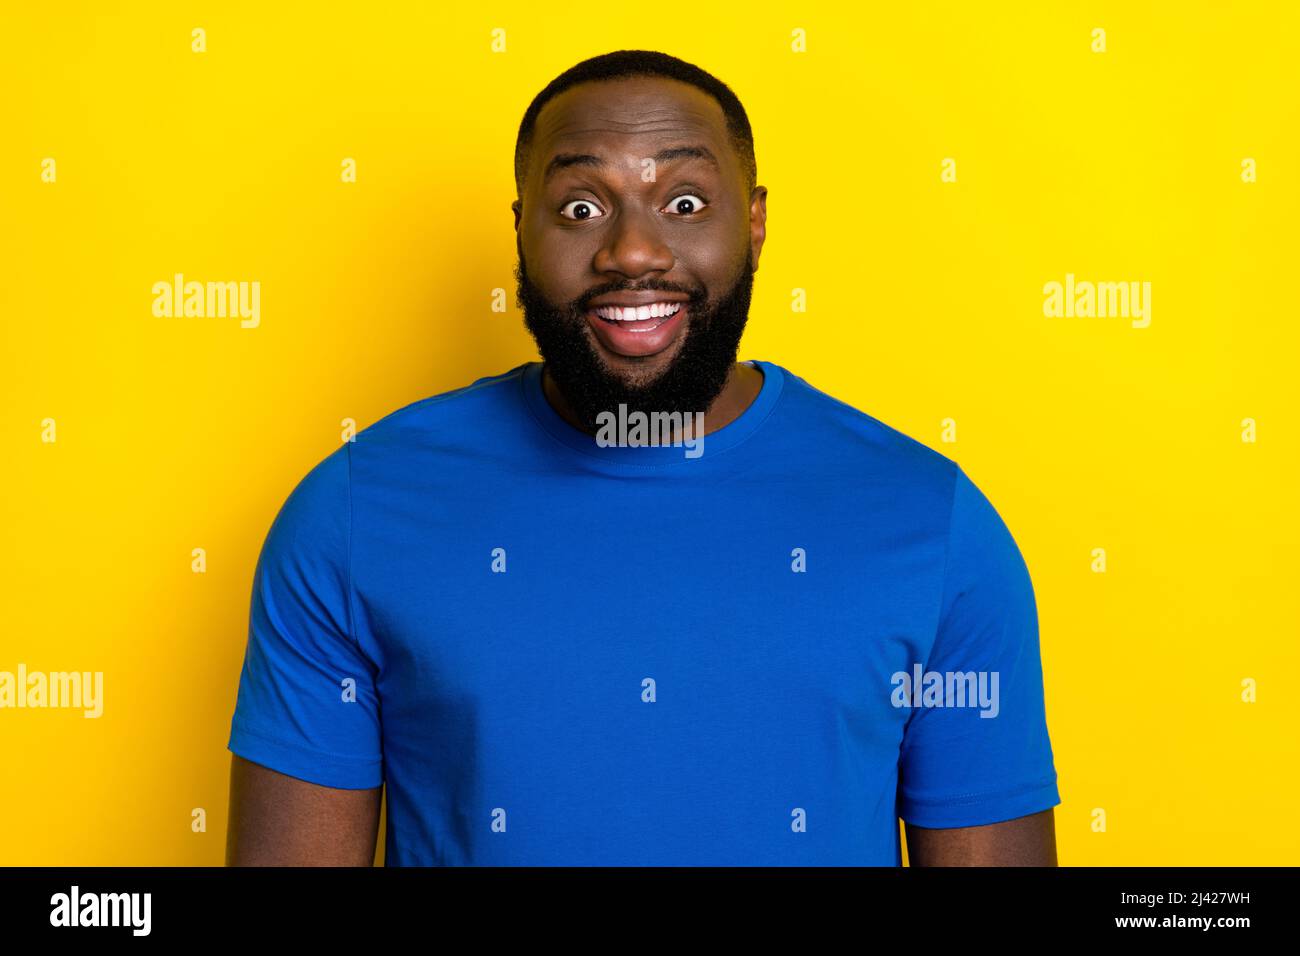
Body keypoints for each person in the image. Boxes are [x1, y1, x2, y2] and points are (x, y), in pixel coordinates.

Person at [225, 49, 1060, 866]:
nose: (631, 251)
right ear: (520, 228)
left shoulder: (933, 525)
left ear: (757, 222)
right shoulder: (355, 513)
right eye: (581, 208)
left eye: (686, 201)